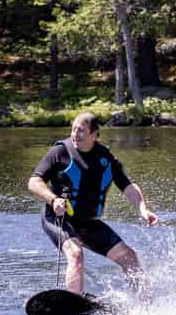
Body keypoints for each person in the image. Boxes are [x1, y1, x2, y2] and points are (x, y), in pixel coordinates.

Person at [27, 110, 158, 294]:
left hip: (87, 222)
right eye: (73, 129)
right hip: (58, 218)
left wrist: (143, 209)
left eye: (81, 130)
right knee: (75, 254)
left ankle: (144, 305)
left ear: (94, 134)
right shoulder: (60, 152)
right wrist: (53, 199)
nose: (75, 134)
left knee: (129, 258)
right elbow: (34, 181)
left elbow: (128, 186)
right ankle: (74, 302)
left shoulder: (106, 158)